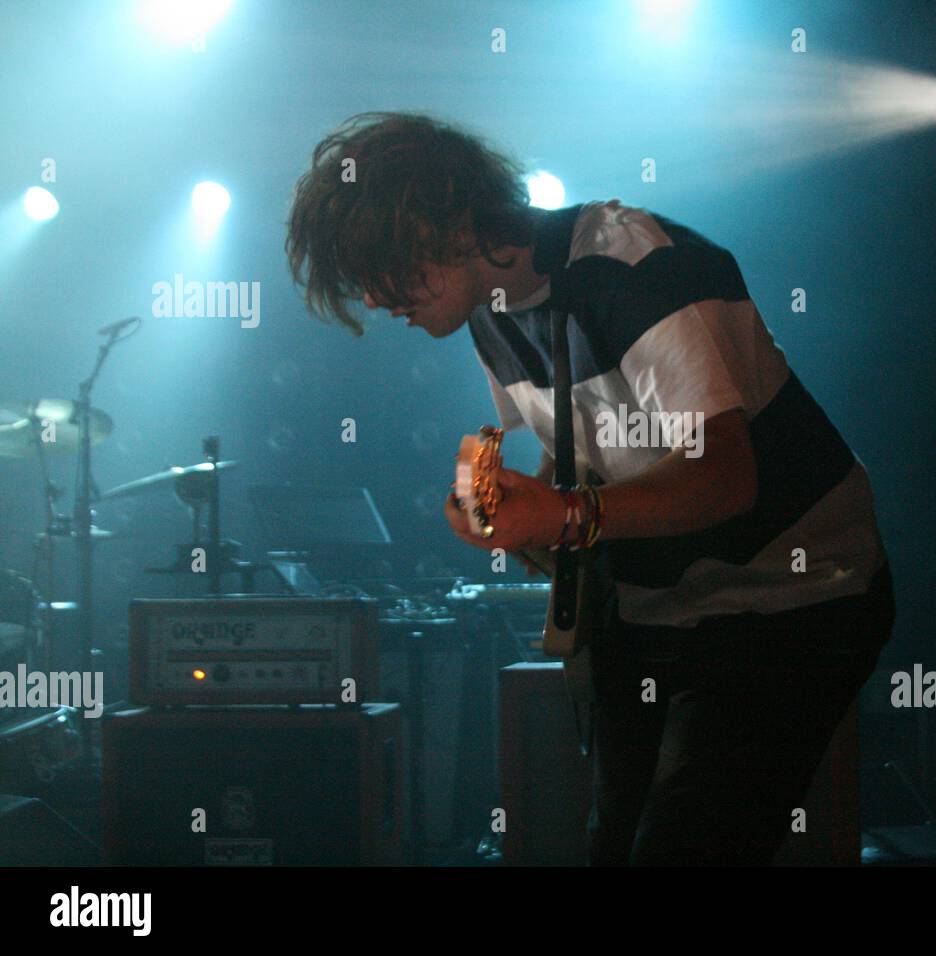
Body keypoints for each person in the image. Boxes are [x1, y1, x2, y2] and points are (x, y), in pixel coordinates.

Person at [286, 111, 895, 865]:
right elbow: (571, 472)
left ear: (449, 223)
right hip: (655, 605)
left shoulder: (633, 267)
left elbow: (727, 475)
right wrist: (507, 513)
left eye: (382, 268)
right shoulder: (491, 315)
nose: (376, 302)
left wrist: (565, 516)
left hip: (791, 594)